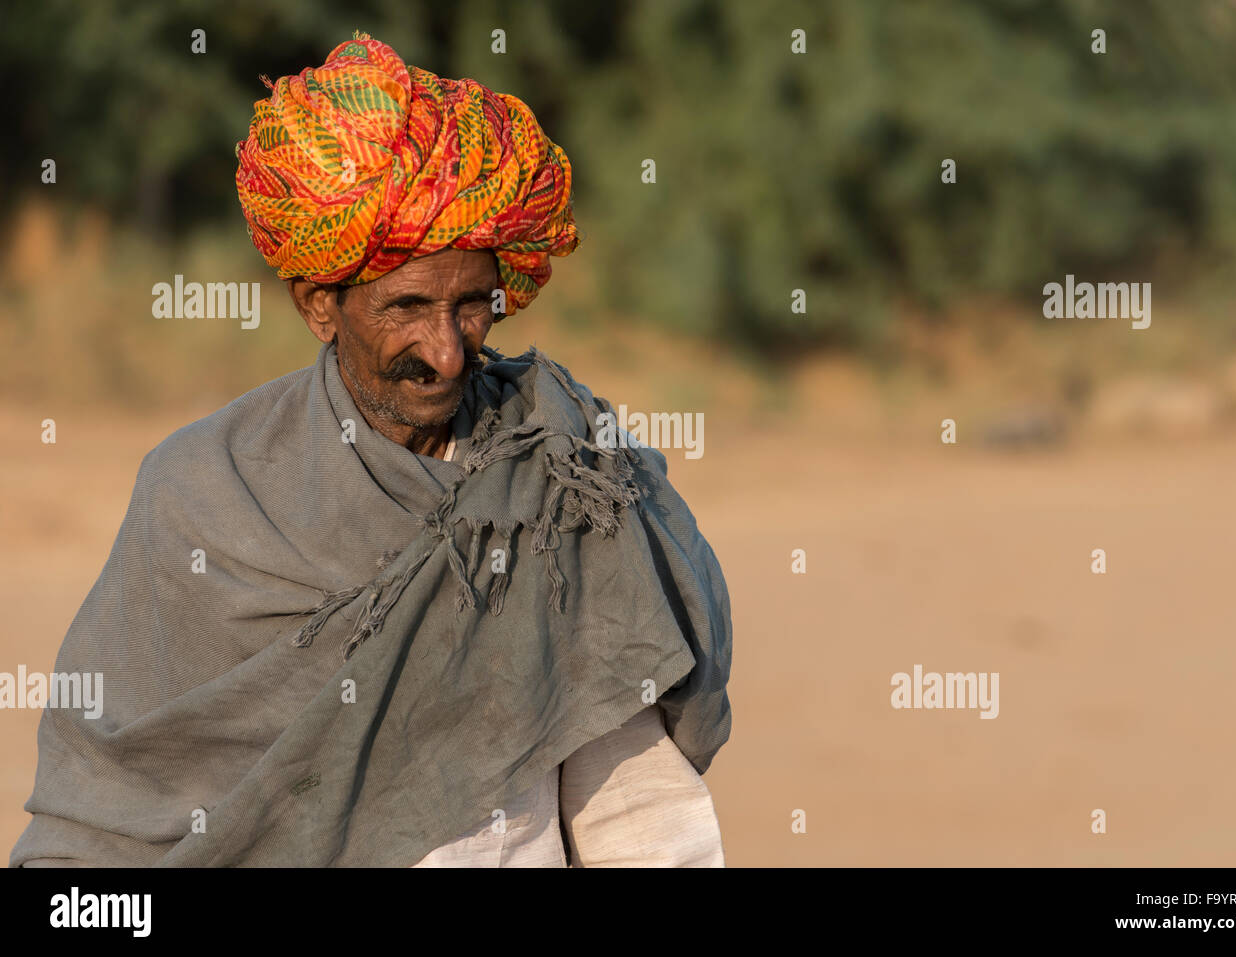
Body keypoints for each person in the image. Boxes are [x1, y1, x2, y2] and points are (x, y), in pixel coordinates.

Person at [10, 32, 732, 867]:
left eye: (472, 304)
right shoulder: (206, 493)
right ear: (321, 305)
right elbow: (108, 808)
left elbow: (642, 815)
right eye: (407, 307)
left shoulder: (563, 477)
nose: (449, 350)